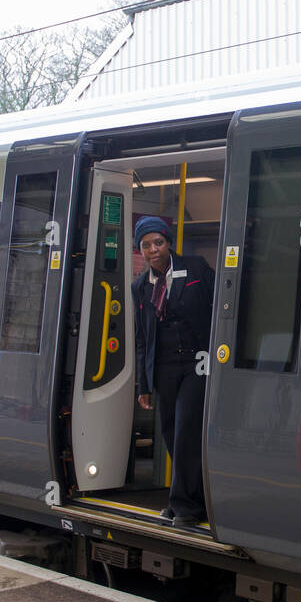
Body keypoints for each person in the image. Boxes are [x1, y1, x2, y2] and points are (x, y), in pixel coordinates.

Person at [132, 215, 214, 526]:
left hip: (197, 362)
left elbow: (220, 303)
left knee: (186, 431)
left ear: (169, 243)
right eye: (146, 245)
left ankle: (184, 507)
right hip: (164, 367)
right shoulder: (139, 287)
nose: (153, 249)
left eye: (158, 242)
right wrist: (143, 385)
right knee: (169, 432)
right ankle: (194, 499)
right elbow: (142, 338)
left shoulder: (195, 268)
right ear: (140, 250)